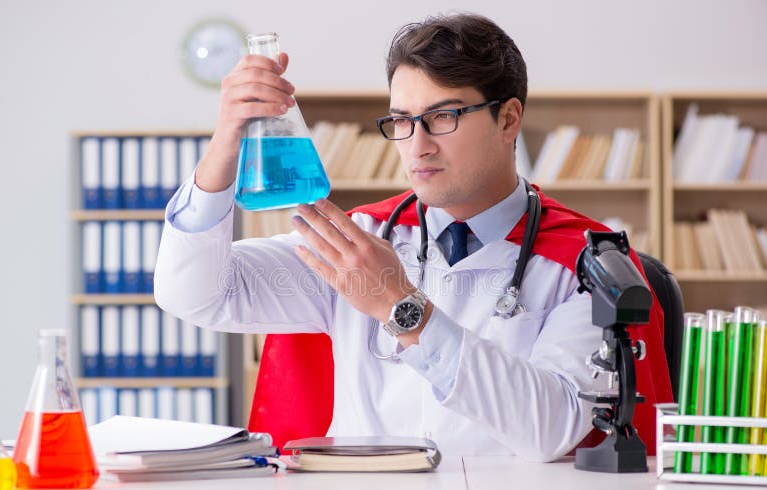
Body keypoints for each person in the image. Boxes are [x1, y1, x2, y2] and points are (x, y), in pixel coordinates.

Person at [155, 13, 672, 460]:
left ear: (508, 119)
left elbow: (550, 427)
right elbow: (196, 294)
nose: (416, 146)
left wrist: (399, 305)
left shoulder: (587, 262)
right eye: (402, 121)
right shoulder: (361, 238)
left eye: (442, 117)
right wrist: (224, 145)